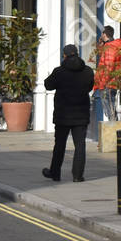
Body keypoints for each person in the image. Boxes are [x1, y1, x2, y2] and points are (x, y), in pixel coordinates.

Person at [42, 44, 95, 182]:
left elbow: (48, 85)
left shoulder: (59, 71)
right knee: (80, 146)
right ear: (77, 54)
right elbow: (90, 87)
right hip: (81, 114)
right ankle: (77, 175)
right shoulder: (88, 71)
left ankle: (55, 172)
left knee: (59, 144)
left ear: (64, 56)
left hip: (63, 114)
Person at [92, 26, 121, 137]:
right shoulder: (111, 46)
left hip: (108, 83)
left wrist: (103, 83)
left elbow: (109, 66)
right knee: (110, 108)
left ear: (105, 34)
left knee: (110, 109)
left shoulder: (110, 47)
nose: (100, 35)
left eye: (102, 34)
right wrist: (101, 44)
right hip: (111, 82)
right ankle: (113, 134)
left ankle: (113, 135)